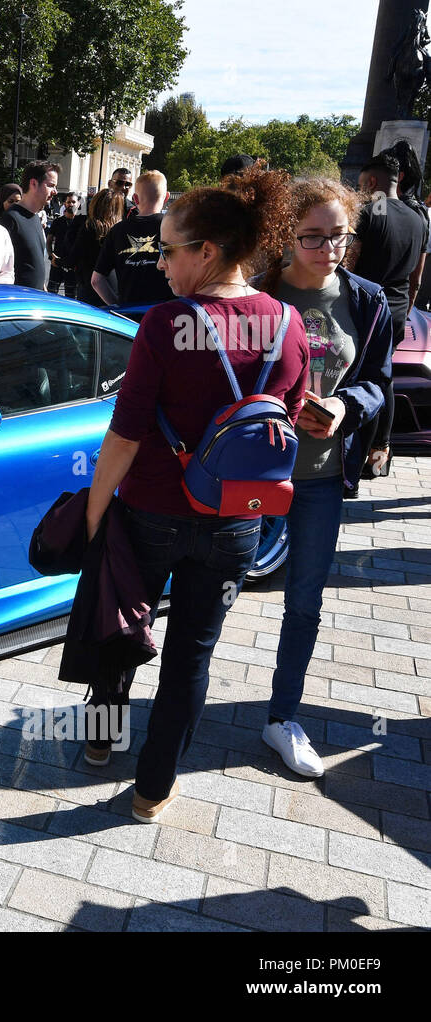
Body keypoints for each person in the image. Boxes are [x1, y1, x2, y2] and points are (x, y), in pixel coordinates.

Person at [83, 165, 308, 823]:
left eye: (168, 248)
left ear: (206, 251)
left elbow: (124, 435)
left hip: (150, 509)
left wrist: (94, 513)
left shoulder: (165, 323)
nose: (159, 262)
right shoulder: (289, 323)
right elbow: (286, 420)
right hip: (237, 519)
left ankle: (100, 740)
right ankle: (152, 790)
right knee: (190, 659)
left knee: (122, 628)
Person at [258, 178, 393, 778]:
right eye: (313, 236)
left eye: (339, 236)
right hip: (251, 473)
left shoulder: (366, 301)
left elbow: (377, 381)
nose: (328, 248)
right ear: (288, 234)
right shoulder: (261, 291)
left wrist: (347, 408)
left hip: (318, 477)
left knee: (304, 602)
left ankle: (283, 716)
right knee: (212, 592)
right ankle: (180, 708)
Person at [354, 150, 428, 473]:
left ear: (372, 181)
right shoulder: (419, 218)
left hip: (364, 307)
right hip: (397, 309)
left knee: (365, 381)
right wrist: (406, 308)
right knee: (384, 379)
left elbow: (348, 265)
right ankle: (380, 450)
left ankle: (361, 458)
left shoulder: (370, 211)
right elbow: (417, 278)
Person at [92, 169, 175, 306]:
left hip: (128, 317)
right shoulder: (175, 227)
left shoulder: (117, 230)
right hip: (165, 313)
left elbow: (96, 280)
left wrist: (119, 306)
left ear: (135, 199)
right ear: (166, 197)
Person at [0, 160, 59, 290]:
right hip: (16, 303)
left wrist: (44, 292)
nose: (55, 191)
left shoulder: (36, 218)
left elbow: (33, 266)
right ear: (33, 183)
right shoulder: (10, 219)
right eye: (51, 185)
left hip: (35, 303)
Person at [69, 191, 124, 308]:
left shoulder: (89, 227)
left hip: (89, 285)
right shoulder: (120, 230)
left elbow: (74, 256)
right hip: (113, 285)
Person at [48, 192, 81, 297]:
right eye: (68, 202)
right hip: (57, 262)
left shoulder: (82, 222)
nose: (71, 204)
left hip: (73, 266)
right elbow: (49, 240)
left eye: (73, 202)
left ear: (78, 204)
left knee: (71, 297)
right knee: (51, 295)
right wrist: (51, 256)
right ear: (64, 204)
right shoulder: (57, 222)